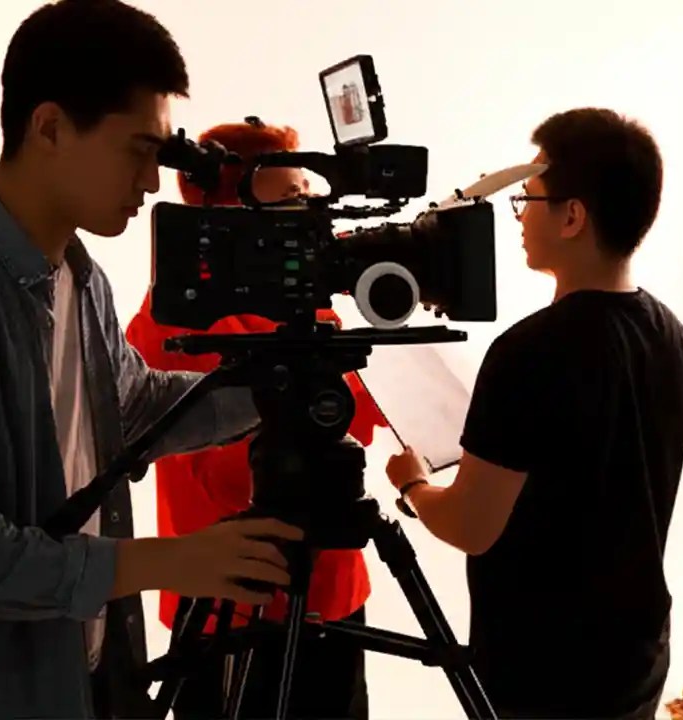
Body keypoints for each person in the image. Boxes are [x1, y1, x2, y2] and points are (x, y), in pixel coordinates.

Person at [0, 3, 304, 719]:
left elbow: (131, 407)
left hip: (73, 679)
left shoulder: (81, 278)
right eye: (138, 151)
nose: (152, 181)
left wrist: (279, 386)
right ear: (50, 127)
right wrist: (167, 560)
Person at [384, 107, 683, 718]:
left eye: (527, 199)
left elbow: (471, 526)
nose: (520, 216)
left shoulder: (530, 351)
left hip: (545, 661)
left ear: (572, 216)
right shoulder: (670, 333)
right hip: (636, 647)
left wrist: (413, 484)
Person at [125, 117, 387, 719]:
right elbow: (231, 471)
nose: (311, 215)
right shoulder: (178, 321)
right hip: (231, 601)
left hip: (332, 592)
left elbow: (355, 426)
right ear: (226, 212)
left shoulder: (302, 304)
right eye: (293, 198)